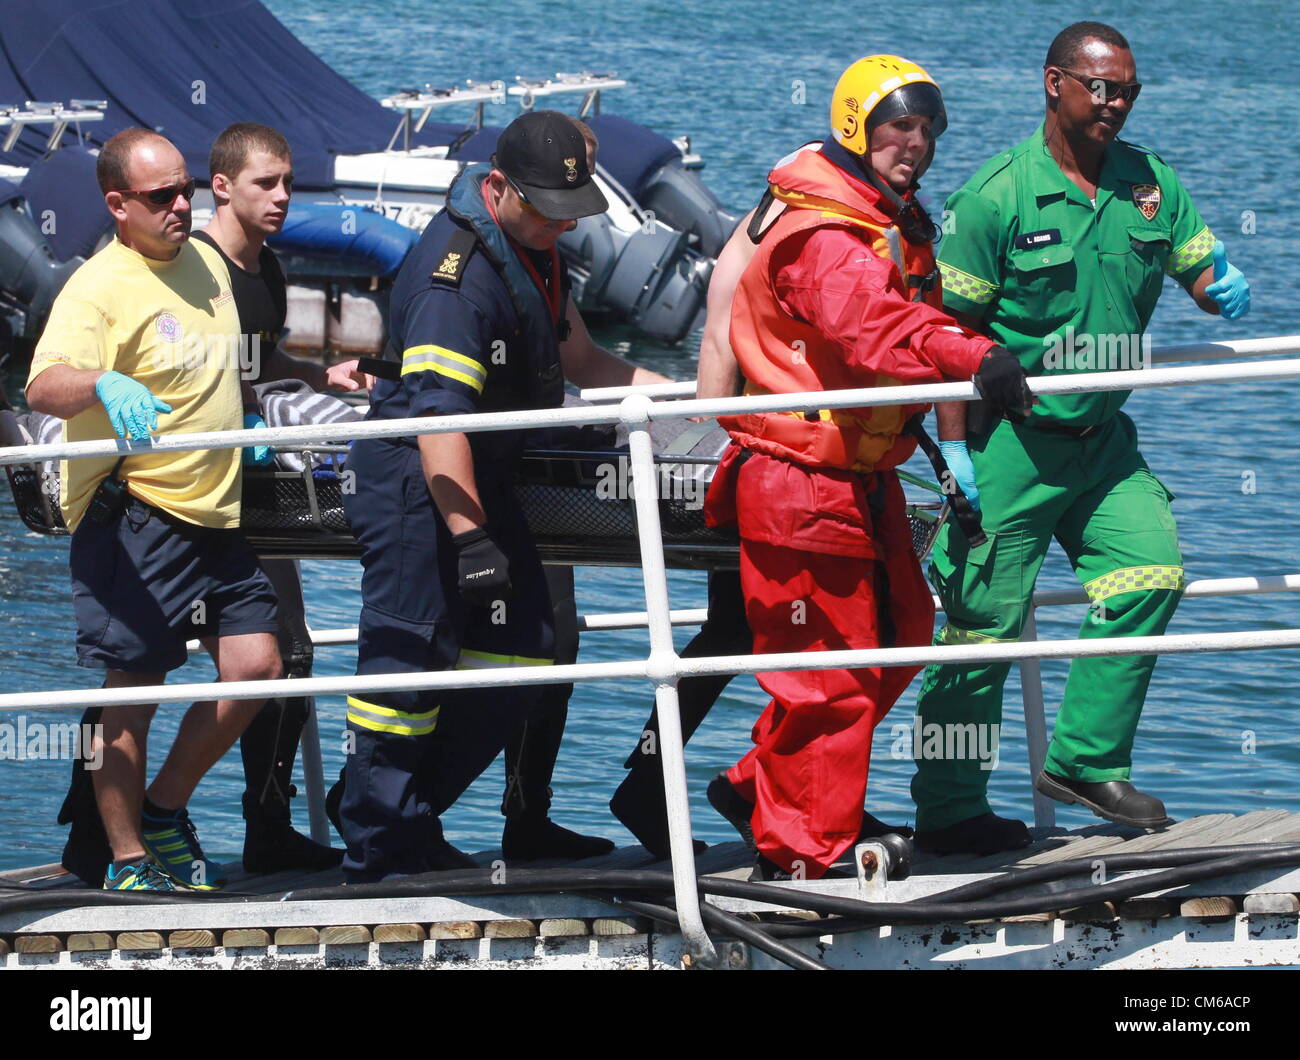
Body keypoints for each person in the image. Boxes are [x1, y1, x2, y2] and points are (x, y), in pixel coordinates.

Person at [913, 21, 1251, 855]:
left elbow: (1199, 268)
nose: (1115, 104)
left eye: (1128, 90)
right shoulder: (994, 197)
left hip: (1104, 443)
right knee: (980, 629)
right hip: (1010, 443)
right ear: (1054, 83)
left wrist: (1220, 283)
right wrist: (954, 459)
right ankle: (949, 812)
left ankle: (1084, 762)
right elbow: (946, 341)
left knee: (1152, 573)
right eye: (1100, 87)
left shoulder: (1149, 184)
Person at [701, 56, 1032, 880]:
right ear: (856, 128)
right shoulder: (824, 235)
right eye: (898, 128)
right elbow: (872, 329)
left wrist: (952, 435)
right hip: (799, 480)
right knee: (827, 677)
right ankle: (806, 855)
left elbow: (895, 326)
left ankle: (764, 789)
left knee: (900, 636)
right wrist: (974, 355)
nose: (914, 145)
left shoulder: (883, 220)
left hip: (859, 475)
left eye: (927, 131)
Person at [338, 110, 668, 882]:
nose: (561, 227)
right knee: (408, 664)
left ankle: (402, 813)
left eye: (570, 213)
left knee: (524, 648)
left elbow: (583, 359)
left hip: (482, 477)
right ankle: (376, 851)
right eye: (547, 211)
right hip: (420, 483)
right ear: (497, 187)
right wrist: (471, 538)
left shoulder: (533, 247)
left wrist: (700, 400)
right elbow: (438, 420)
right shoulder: (456, 281)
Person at [25, 128, 282, 891]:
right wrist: (103, 383)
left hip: (217, 511)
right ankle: (126, 858)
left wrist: (246, 414)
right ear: (117, 205)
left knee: (258, 666)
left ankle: (164, 809)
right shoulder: (98, 286)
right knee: (134, 695)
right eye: (160, 195)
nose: (180, 204)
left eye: (186, 189)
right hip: (136, 513)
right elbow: (42, 385)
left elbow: (225, 361)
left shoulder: (206, 260)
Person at [191, 122, 368, 873]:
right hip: (193, 493)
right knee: (145, 662)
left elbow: (260, 361)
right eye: (266, 183)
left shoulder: (265, 265)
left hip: (258, 490)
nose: (283, 196)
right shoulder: (195, 270)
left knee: (292, 654)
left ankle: (267, 825)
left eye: (289, 182)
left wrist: (319, 376)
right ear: (222, 186)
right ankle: (107, 823)